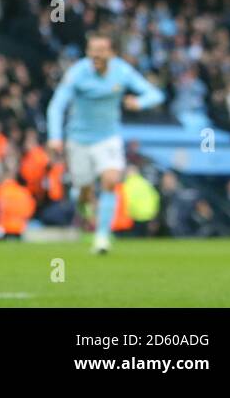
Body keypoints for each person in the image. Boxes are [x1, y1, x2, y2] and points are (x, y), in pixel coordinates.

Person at [46, 32, 165, 254]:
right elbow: (56, 105)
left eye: (101, 50)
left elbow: (155, 94)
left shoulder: (122, 71)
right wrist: (54, 136)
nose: (96, 55)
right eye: (92, 50)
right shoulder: (77, 73)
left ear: (111, 53)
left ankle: (102, 237)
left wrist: (139, 102)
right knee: (84, 192)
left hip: (108, 138)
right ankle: (85, 211)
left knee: (110, 181)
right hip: (78, 140)